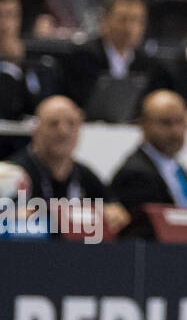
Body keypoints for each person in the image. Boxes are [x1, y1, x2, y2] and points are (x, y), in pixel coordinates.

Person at [8, 97, 115, 237]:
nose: (63, 131)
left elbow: (113, 210)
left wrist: (112, 215)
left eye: (71, 124)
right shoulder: (13, 174)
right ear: (36, 130)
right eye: (53, 124)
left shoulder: (85, 175)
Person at [106, 89, 187, 239]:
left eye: (181, 121)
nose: (176, 131)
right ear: (144, 124)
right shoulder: (135, 174)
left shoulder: (179, 171)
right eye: (166, 123)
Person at [65, 0, 152, 112]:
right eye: (123, 20)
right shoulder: (83, 57)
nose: (129, 28)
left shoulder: (146, 63)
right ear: (104, 20)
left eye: (136, 20)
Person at [0, 0, 61, 120]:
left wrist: (18, 65)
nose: (5, 24)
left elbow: (44, 106)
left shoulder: (39, 61)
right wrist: (10, 66)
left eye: (10, 15)